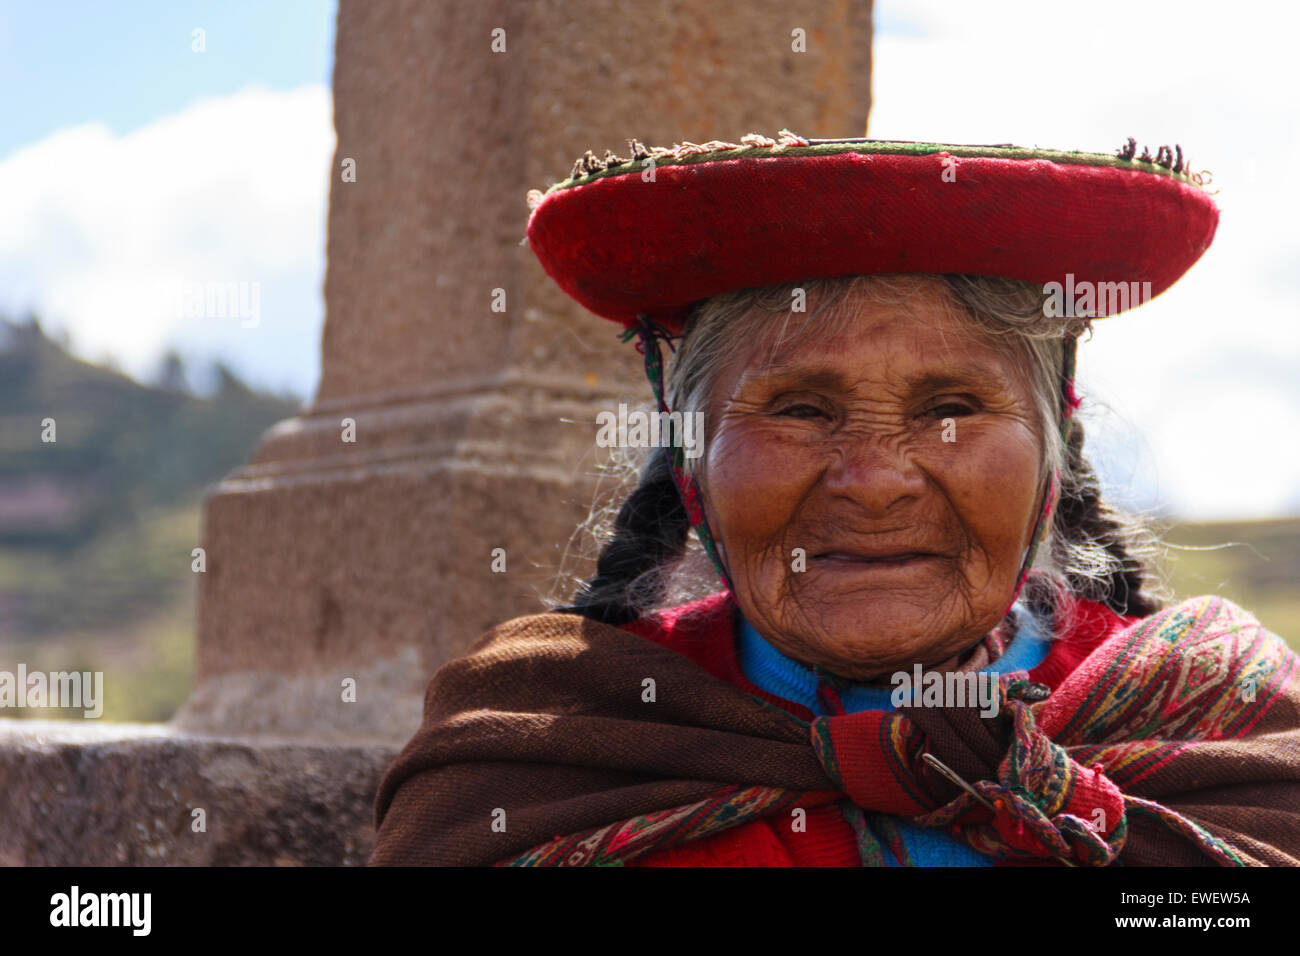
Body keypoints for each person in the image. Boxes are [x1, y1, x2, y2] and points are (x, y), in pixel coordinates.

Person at [369, 132, 1300, 866]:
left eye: (951, 409)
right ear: (693, 469)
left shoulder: (1217, 732)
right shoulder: (543, 754)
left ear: (1051, 463)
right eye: (801, 410)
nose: (878, 478)